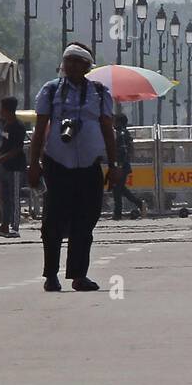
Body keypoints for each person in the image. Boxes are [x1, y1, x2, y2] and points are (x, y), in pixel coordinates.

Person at [28, 43, 119, 292]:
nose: (72, 66)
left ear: (87, 67)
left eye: (78, 62)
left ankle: (79, 275)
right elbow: (39, 130)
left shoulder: (99, 93)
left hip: (89, 164)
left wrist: (114, 164)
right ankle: (51, 275)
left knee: (86, 219)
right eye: (69, 61)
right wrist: (33, 163)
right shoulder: (50, 90)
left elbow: (107, 130)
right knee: (52, 220)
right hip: (56, 162)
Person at [0, 97, 27, 238]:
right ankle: (4, 226)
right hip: (5, 167)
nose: (0, 111)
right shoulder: (6, 125)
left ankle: (14, 228)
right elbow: (3, 143)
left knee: (14, 198)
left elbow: (16, 149)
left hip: (15, 167)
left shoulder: (18, 126)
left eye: (2, 108)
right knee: (5, 197)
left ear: (7, 110)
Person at [110, 113, 145, 220]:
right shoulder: (124, 133)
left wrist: (119, 165)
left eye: (115, 121)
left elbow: (123, 150)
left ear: (119, 122)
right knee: (119, 189)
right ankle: (136, 205)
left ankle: (119, 213)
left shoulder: (121, 133)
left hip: (121, 165)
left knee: (118, 189)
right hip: (123, 165)